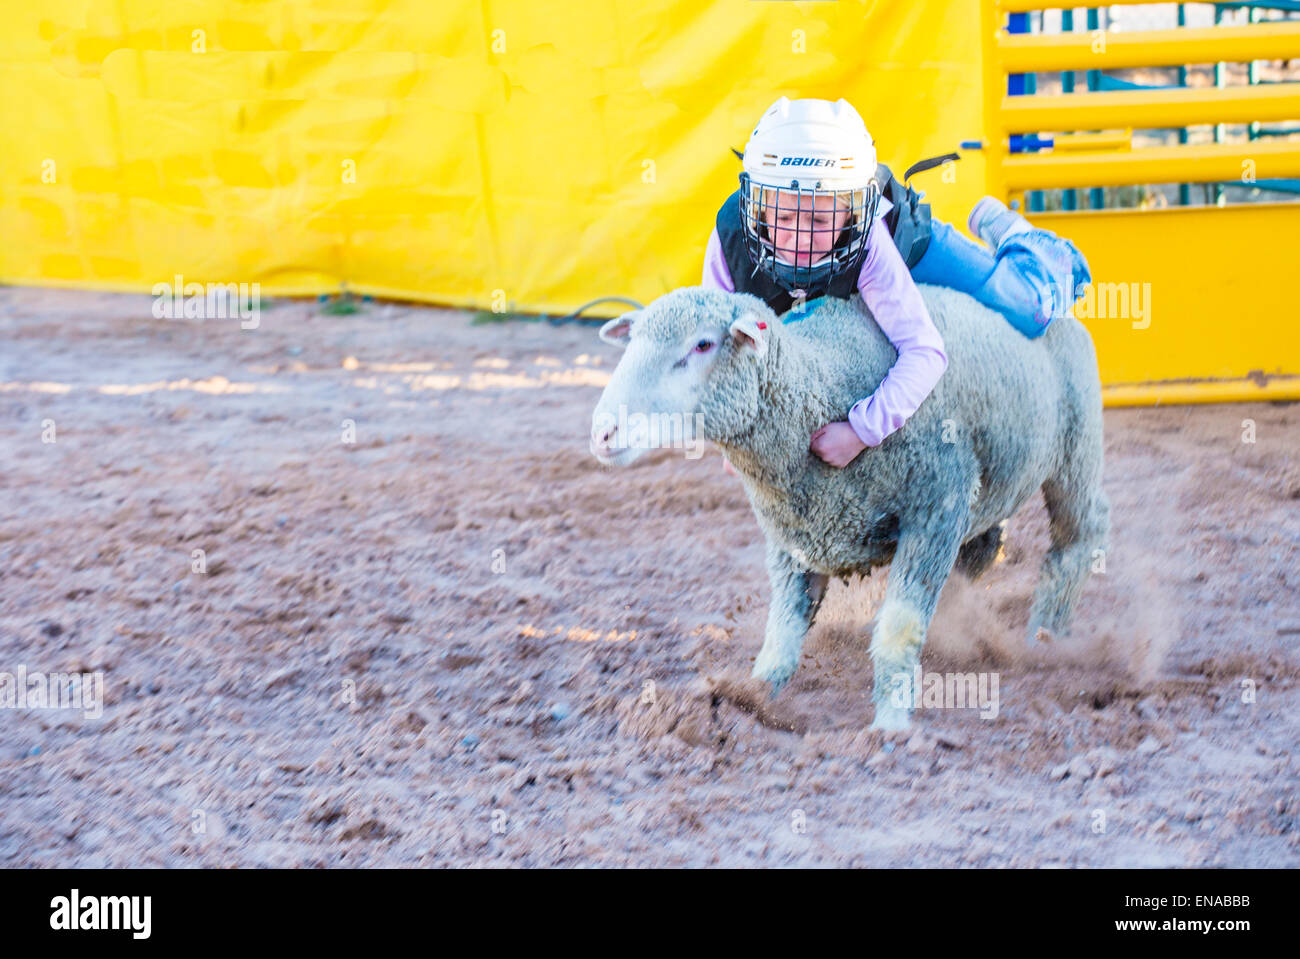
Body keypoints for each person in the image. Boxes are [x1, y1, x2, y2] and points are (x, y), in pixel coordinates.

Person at [702, 96, 1091, 472]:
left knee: (1030, 311)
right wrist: (741, 435)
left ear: (854, 211)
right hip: (829, 285)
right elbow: (718, 358)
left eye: (819, 222)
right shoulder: (731, 239)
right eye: (784, 218)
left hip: (910, 249)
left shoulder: (870, 239)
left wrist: (861, 432)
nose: (799, 236)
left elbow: (925, 351)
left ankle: (1024, 242)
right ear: (756, 206)